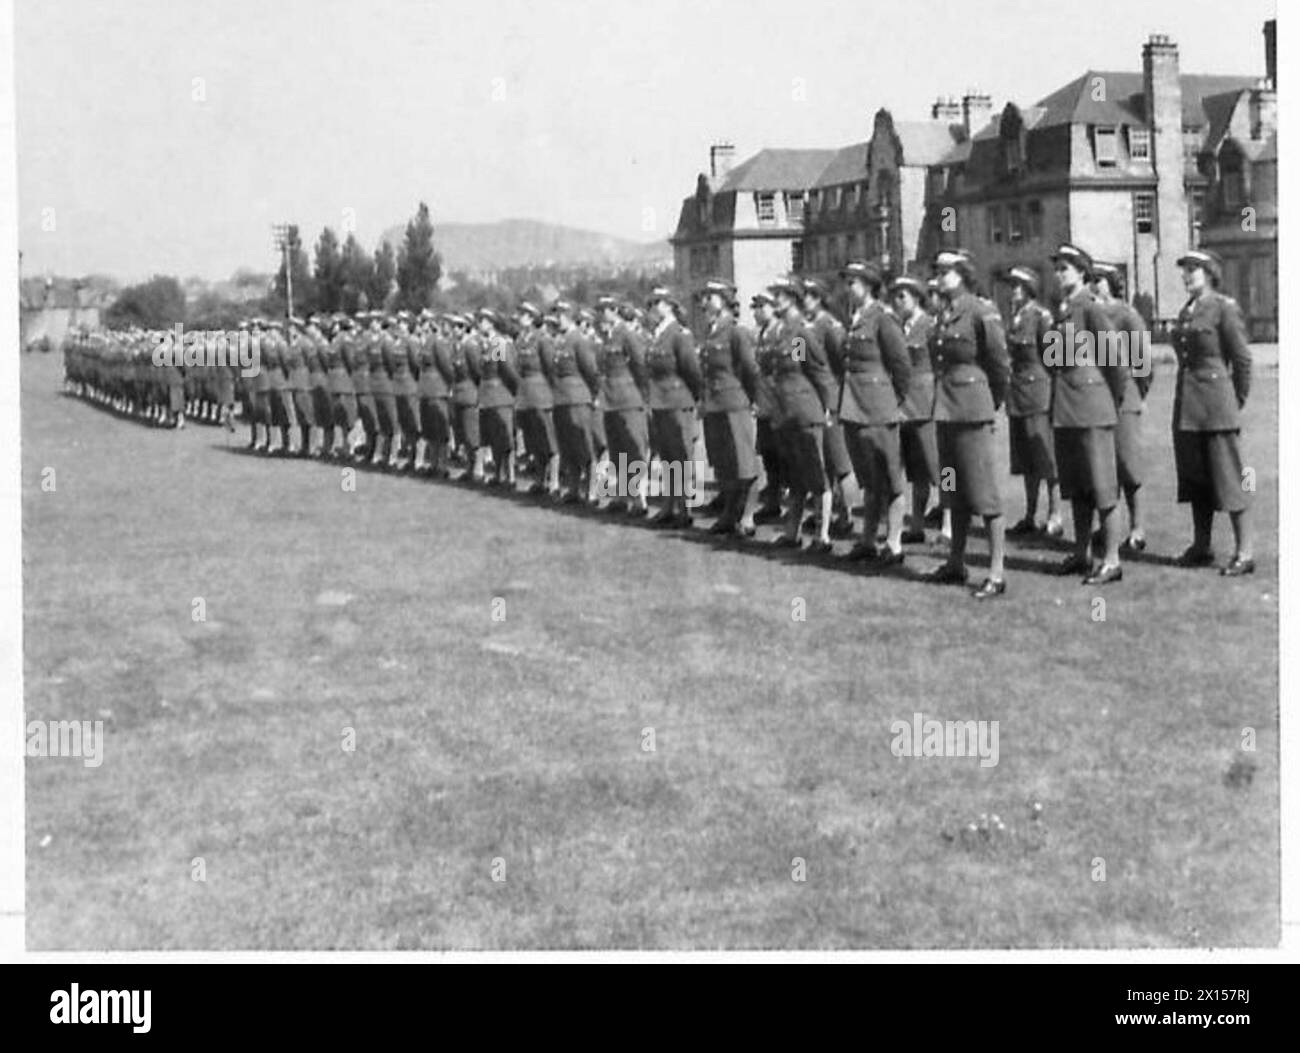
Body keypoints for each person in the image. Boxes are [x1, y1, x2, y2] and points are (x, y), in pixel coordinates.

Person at [925, 250, 1010, 598]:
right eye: (939, 271)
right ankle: (956, 562)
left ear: (962, 274)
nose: (940, 277)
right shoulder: (943, 314)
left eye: (946, 272)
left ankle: (997, 571)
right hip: (946, 412)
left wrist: (990, 402)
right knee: (953, 490)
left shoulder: (980, 310)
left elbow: (999, 363)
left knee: (984, 493)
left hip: (972, 413)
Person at [1170, 249, 1254, 575]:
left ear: (1210, 273)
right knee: (1196, 480)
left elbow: (1242, 360)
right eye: (1186, 270)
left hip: (1217, 407)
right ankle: (1202, 545)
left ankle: (1244, 552)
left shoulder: (1223, 308)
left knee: (1230, 477)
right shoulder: (1186, 312)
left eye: (1194, 270)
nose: (1187, 275)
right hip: (1189, 407)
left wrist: (1235, 401)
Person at [1047, 244, 1126, 585]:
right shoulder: (1060, 311)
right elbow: (1053, 362)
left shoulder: (1091, 310)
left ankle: (1111, 559)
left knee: (1102, 488)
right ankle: (1082, 554)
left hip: (1091, 409)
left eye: (1065, 268)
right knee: (1078, 487)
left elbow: (1116, 364)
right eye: (1057, 268)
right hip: (1066, 410)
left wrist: (1109, 403)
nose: (1059, 273)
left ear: (1081, 273)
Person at [837, 261, 911, 563]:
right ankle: (867, 539)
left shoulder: (882, 318)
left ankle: (893, 542)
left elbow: (901, 365)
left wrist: (893, 401)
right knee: (869, 479)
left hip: (878, 408)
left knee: (891, 478)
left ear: (867, 285)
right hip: (855, 408)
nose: (848, 288)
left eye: (853, 283)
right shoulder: (853, 318)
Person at [765, 279, 835, 553]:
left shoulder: (799, 332)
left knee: (817, 476)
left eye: (779, 296)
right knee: (794, 476)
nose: (776, 300)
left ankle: (823, 535)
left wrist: (828, 408)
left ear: (792, 299)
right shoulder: (783, 331)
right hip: (786, 412)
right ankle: (792, 532)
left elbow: (816, 370)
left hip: (805, 410)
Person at [999, 266, 1063, 538]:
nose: (1014, 291)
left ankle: (1055, 514)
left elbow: (1055, 359)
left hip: (1039, 394)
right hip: (1018, 396)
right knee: (1026, 461)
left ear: (1029, 290)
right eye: (1012, 286)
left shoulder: (1041, 317)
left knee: (1046, 458)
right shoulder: (1015, 318)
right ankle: (1030, 514)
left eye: (1019, 286)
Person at [1091, 261, 1151, 552]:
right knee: (1104, 466)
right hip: (1096, 398)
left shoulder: (1126, 315)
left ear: (1112, 283)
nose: (1095, 285)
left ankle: (1137, 527)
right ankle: (1107, 529)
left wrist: (1137, 396)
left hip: (1125, 398)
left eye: (1100, 279)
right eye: (1091, 279)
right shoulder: (1088, 314)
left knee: (1129, 466)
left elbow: (1142, 363)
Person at [696, 278, 760, 536]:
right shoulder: (712, 333)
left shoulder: (737, 332)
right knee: (724, 464)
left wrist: (754, 400)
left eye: (710, 297)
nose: (704, 303)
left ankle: (747, 516)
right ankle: (729, 515)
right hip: (716, 405)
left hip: (736, 403)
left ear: (724, 301)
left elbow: (750, 369)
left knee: (745, 464)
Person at [889, 276, 947, 546]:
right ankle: (917, 524)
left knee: (941, 467)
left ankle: (949, 521)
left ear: (916, 297)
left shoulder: (930, 327)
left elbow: (940, 366)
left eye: (903, 297)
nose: (898, 302)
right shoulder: (898, 327)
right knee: (916, 472)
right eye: (896, 297)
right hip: (903, 405)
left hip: (927, 404)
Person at [801, 278, 856, 539]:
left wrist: (835, 399)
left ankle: (848, 515)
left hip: (831, 400)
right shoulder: (807, 327)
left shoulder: (828, 326)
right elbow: (797, 362)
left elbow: (839, 364)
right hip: (811, 399)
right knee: (823, 463)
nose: (805, 301)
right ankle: (828, 512)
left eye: (810, 296)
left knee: (840, 461)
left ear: (820, 298)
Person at [644, 286, 703, 527]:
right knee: (667, 456)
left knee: (681, 455)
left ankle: (685, 508)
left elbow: (691, 370)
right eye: (650, 304)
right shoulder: (657, 334)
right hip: (660, 402)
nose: (652, 309)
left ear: (668, 305)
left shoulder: (679, 334)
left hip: (678, 401)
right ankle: (670, 505)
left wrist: (696, 398)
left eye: (656, 303)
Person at [595, 296, 651, 516]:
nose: (600, 314)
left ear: (614, 311)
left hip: (629, 399)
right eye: (599, 310)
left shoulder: (627, 335)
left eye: (604, 310)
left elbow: (640, 366)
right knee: (618, 451)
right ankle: (622, 495)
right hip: (611, 400)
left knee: (634, 448)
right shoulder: (607, 337)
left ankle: (639, 498)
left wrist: (644, 397)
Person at [549, 300, 600, 504]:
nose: (556, 319)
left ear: (568, 315)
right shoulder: (558, 340)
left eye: (560, 314)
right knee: (567, 447)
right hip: (561, 398)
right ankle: (573, 489)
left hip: (577, 398)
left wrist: (592, 395)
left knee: (584, 446)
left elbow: (590, 370)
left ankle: (592, 491)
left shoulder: (579, 339)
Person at [513, 302, 559, 495]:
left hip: (541, 394)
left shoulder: (542, 339)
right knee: (534, 441)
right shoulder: (519, 339)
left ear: (531, 318)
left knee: (549, 440)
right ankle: (540, 479)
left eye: (523, 314)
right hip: (525, 394)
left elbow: (550, 368)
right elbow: (510, 366)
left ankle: (554, 481)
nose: (519, 317)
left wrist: (552, 392)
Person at [750, 291, 788, 525]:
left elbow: (798, 363)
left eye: (762, 307)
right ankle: (772, 503)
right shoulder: (761, 335)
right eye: (755, 308)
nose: (757, 312)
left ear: (774, 308)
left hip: (781, 404)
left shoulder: (784, 331)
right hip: (764, 404)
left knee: (786, 458)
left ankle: (789, 507)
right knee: (769, 456)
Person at [476, 308, 519, 487]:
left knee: (505, 438)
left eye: (482, 321)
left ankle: (510, 476)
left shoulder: (499, 343)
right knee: (493, 438)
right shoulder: (489, 343)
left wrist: (515, 391)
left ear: (490, 323)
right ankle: (499, 474)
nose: (479, 324)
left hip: (500, 395)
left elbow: (506, 370)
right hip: (489, 396)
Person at [415, 312, 454, 476]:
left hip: (436, 389)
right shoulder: (432, 341)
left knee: (439, 430)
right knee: (434, 430)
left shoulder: (499, 342)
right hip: (432, 389)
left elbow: (500, 369)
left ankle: (439, 465)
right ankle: (436, 465)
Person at [449, 314, 484, 482]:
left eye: (458, 326)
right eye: (454, 326)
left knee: (473, 435)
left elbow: (478, 371)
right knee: (463, 435)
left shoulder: (471, 346)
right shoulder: (456, 346)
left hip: (470, 392)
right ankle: (469, 468)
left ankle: (478, 469)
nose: (455, 329)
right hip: (458, 393)